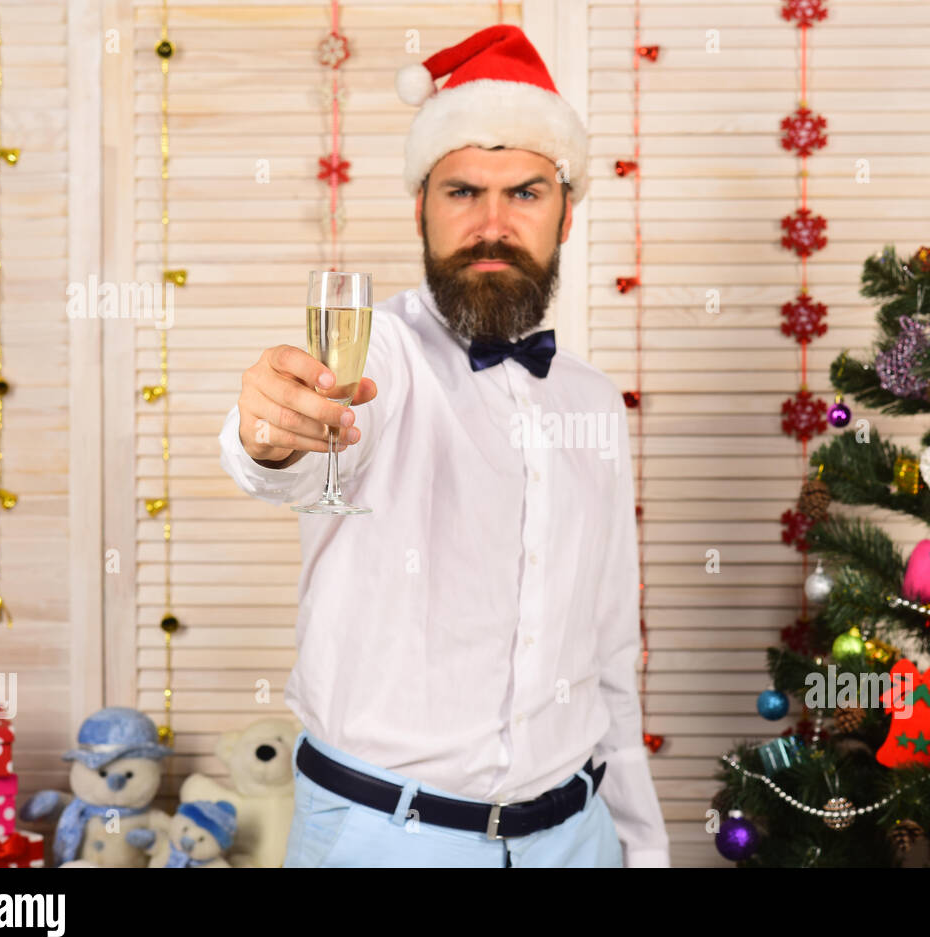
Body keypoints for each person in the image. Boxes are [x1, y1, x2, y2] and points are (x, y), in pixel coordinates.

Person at [219, 24, 670, 867]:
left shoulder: (592, 401)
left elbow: (609, 649)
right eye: (462, 191)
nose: (492, 225)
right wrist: (268, 435)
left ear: (567, 214)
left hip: (577, 839)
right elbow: (304, 438)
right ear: (419, 206)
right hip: (380, 839)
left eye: (526, 194)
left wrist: (640, 848)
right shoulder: (377, 352)